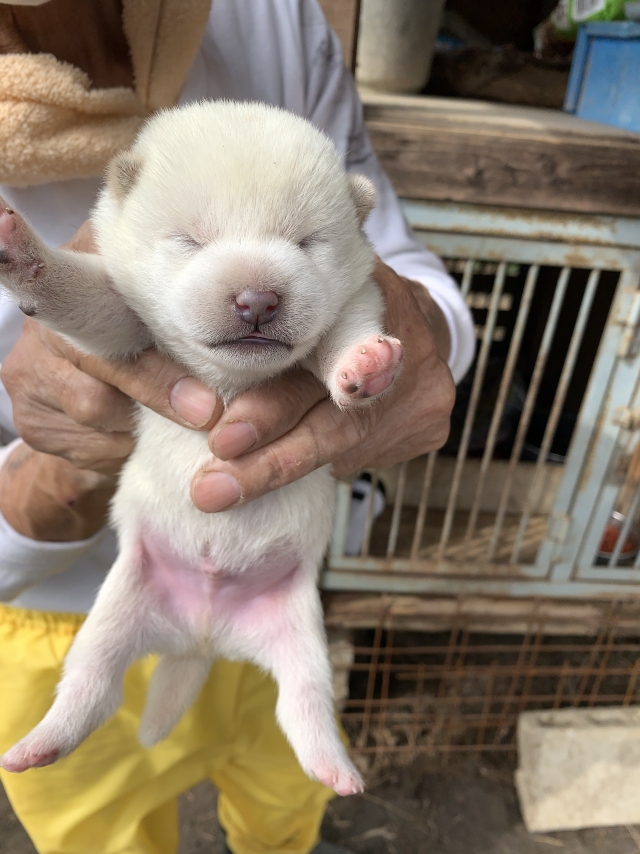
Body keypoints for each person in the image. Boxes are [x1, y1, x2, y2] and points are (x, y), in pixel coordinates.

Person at [0, 2, 475, 853]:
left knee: (293, 738)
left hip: (276, 573)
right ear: (128, 204)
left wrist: (404, 345)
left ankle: (311, 746)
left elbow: (394, 278)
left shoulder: (277, 15)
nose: (258, 291)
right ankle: (71, 719)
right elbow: (102, 305)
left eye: (302, 241)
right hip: (49, 593)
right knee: (93, 724)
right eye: (191, 243)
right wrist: (40, 280)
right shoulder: (126, 226)